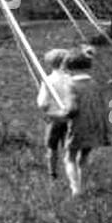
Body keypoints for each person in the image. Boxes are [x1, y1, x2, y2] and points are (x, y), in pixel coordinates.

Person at [54, 49, 109, 196]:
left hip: (79, 125)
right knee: (84, 156)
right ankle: (83, 185)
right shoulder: (94, 83)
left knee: (69, 157)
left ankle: (76, 189)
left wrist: (61, 113)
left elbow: (72, 109)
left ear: (68, 67)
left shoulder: (71, 85)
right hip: (95, 124)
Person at [35, 48, 69, 179]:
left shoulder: (48, 80)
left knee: (52, 146)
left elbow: (42, 103)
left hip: (54, 118)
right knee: (69, 146)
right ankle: (71, 173)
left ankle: (52, 174)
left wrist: (46, 108)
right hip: (69, 117)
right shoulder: (71, 79)